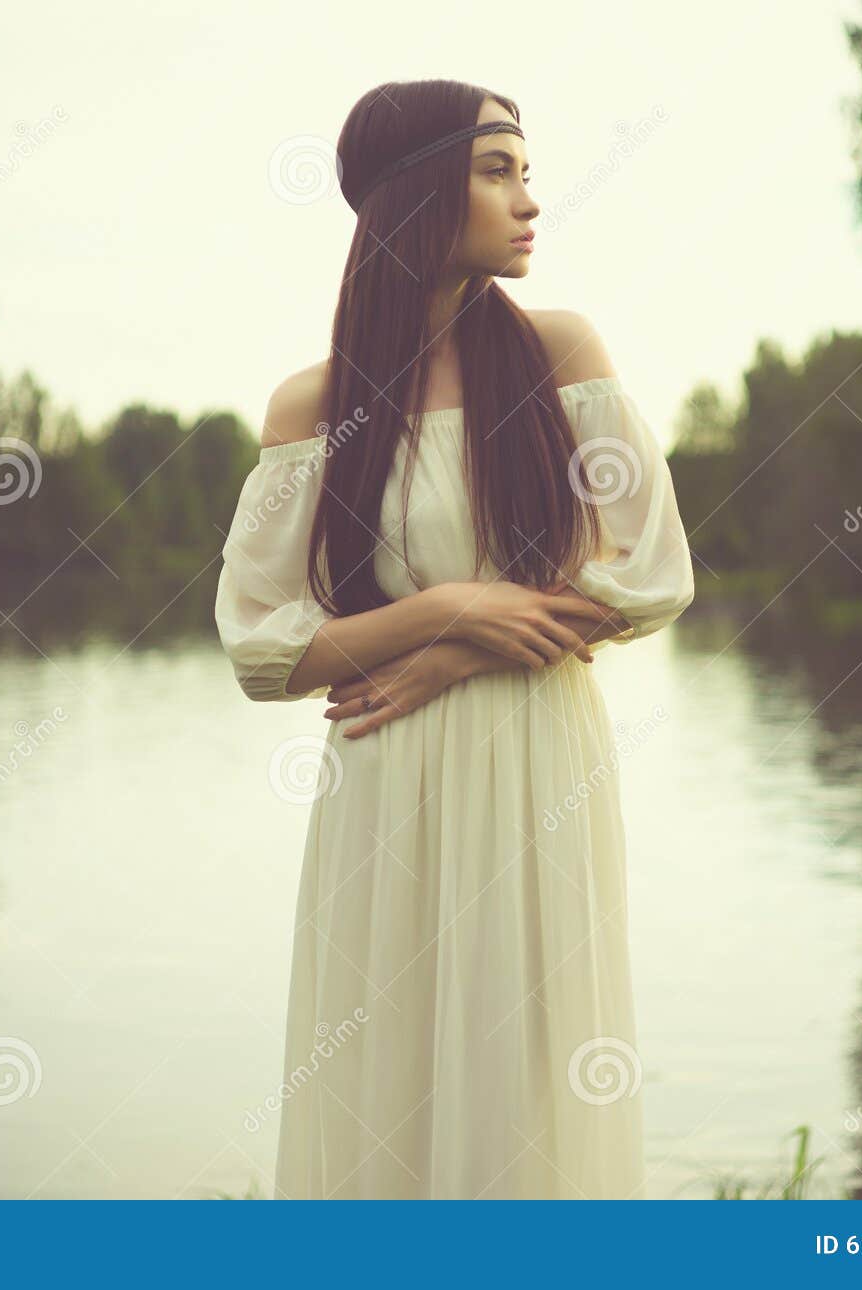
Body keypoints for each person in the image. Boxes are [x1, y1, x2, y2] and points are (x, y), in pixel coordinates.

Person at [215, 78, 695, 1199]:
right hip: (385, 781)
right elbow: (264, 650)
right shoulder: (310, 407)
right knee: (383, 1067)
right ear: (412, 195)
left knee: (526, 1064)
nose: (529, 200)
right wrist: (446, 609)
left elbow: (647, 577)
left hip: (537, 758)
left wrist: (449, 651)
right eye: (497, 170)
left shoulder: (561, 354)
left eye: (525, 171)